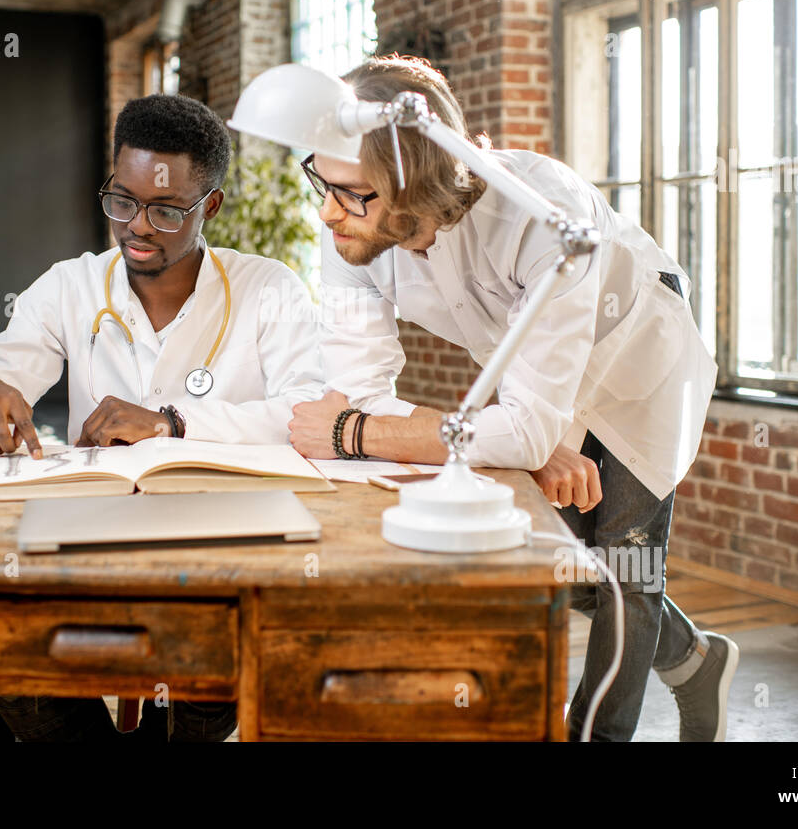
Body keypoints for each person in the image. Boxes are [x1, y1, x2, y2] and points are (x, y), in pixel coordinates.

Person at [288, 54, 736, 742]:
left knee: (625, 565)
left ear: (415, 183)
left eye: (352, 193)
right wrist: (523, 429)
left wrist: (518, 429)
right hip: (541, 367)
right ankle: (695, 662)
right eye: (323, 180)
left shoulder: (542, 212)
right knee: (558, 554)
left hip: (639, 352)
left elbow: (355, 423)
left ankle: (594, 736)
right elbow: (364, 392)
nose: (327, 212)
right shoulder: (352, 224)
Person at [0, 93, 322, 741]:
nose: (137, 226)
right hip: (91, 546)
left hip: (219, 553)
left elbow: (309, 414)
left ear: (212, 206)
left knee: (214, 666)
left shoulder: (268, 288)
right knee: (9, 645)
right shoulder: (72, 285)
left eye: (166, 210)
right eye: (123, 200)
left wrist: (172, 421)